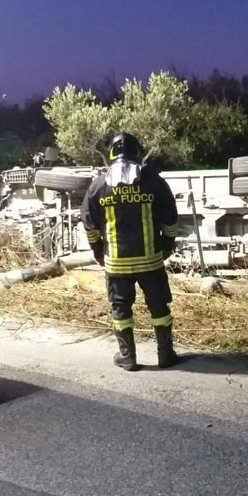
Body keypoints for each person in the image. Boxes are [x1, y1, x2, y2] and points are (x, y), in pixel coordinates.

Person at [81, 133, 179, 371]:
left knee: (120, 308)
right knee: (159, 307)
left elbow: (89, 223)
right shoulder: (153, 181)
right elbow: (170, 218)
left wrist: (97, 252)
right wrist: (167, 245)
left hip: (116, 264)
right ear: (137, 152)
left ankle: (128, 356)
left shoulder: (98, 185)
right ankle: (165, 355)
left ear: (111, 153)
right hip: (151, 261)